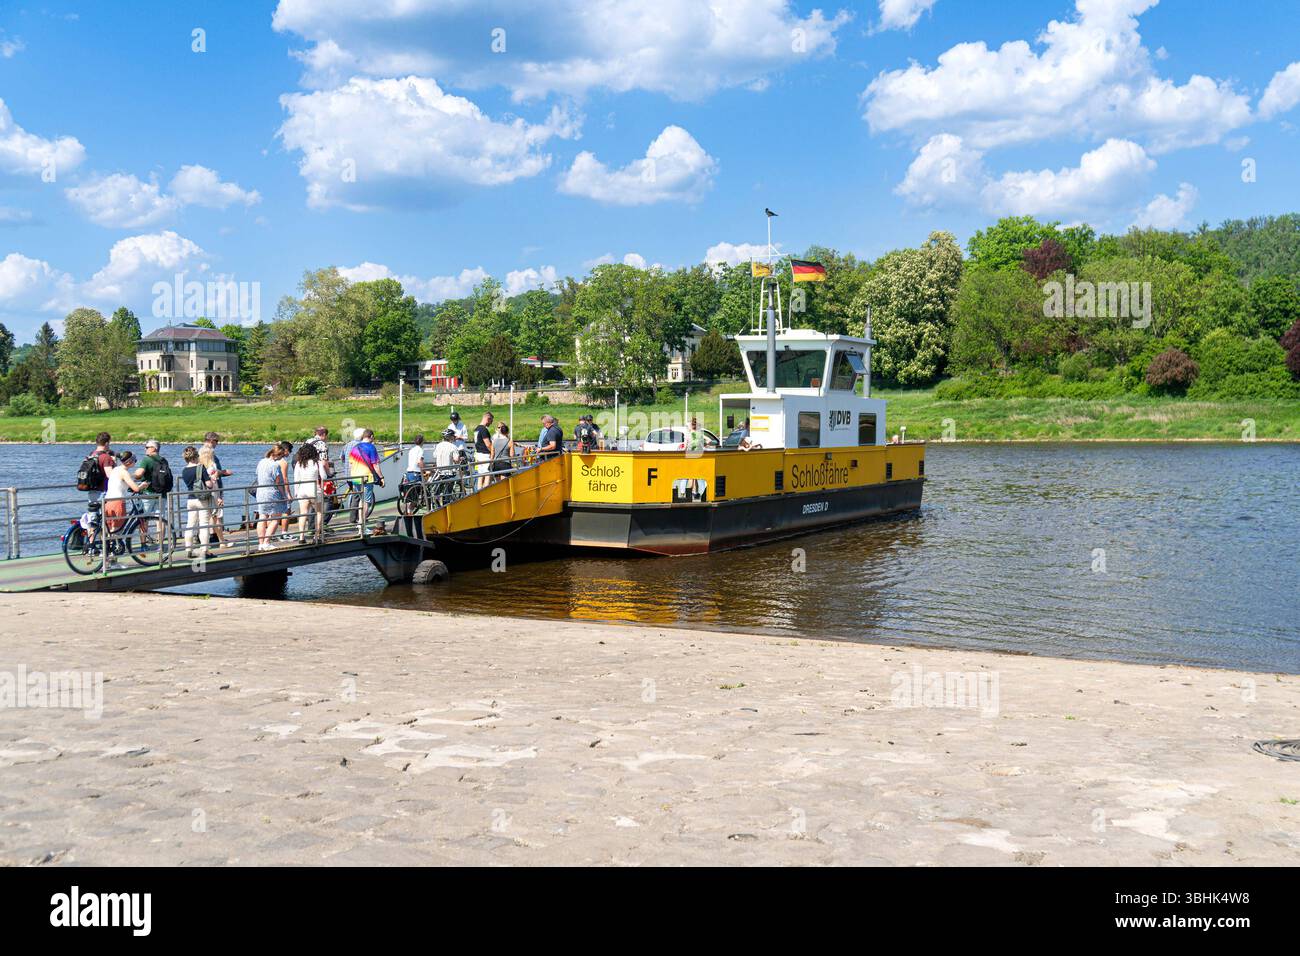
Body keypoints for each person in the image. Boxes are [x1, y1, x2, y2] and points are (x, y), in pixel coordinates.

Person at [104, 451, 142, 560]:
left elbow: (122, 482)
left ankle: (108, 558)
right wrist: (143, 485)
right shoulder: (124, 472)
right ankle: (112, 559)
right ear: (129, 462)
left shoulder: (116, 469)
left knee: (111, 531)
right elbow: (136, 488)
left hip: (108, 501)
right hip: (118, 502)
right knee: (117, 531)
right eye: (134, 459)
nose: (135, 461)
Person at [179, 445, 216, 558]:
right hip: (201, 499)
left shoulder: (184, 470)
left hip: (190, 499)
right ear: (196, 456)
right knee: (204, 525)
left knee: (190, 525)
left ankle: (189, 550)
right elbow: (209, 485)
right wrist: (212, 480)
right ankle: (205, 550)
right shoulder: (200, 468)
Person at [254, 445, 289, 550]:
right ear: (278, 455)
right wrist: (284, 495)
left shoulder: (261, 462)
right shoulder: (275, 465)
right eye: (281, 455)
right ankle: (267, 542)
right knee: (275, 518)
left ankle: (260, 544)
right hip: (272, 493)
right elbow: (278, 483)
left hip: (260, 492)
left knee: (262, 517)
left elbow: (257, 474)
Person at [202, 431, 234, 548]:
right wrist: (224, 472)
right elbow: (213, 473)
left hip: (206, 489)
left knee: (210, 515)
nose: (217, 444)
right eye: (216, 441)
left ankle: (212, 537)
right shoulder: (209, 455)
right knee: (217, 515)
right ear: (211, 440)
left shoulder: (201, 453)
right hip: (213, 489)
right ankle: (220, 540)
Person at [347, 428, 385, 521]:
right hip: (366, 478)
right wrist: (381, 477)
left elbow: (350, 464)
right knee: (366, 502)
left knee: (361, 500)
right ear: (371, 436)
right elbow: (375, 465)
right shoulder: (371, 447)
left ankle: (360, 524)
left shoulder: (354, 447)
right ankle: (362, 526)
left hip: (355, 478)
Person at [292, 442, 323, 543]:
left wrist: (296, 492)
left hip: (302, 489)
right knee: (319, 512)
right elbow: (324, 476)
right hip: (314, 489)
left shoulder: (299, 463)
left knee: (303, 513)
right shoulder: (317, 463)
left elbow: (296, 479)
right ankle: (316, 536)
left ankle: (301, 537)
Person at [473, 412, 495, 489]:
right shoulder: (483, 429)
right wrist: (493, 453)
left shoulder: (476, 429)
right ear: (488, 419)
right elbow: (488, 444)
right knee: (488, 474)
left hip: (478, 454)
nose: (491, 423)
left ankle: (479, 492)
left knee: (480, 475)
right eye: (491, 421)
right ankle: (486, 492)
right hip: (485, 455)